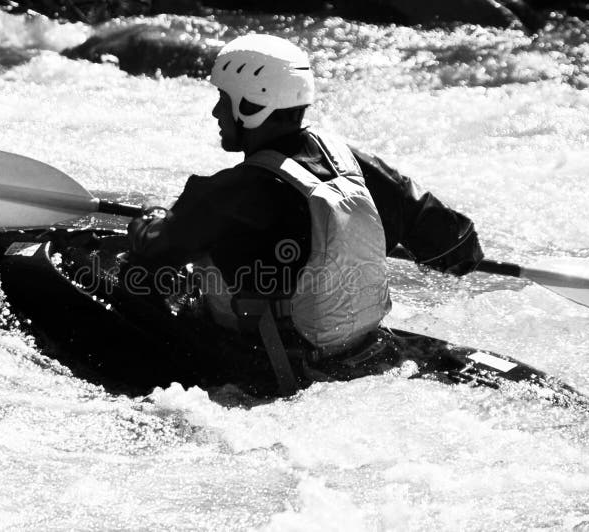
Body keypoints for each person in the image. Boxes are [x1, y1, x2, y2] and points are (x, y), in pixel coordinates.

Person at [127, 34, 482, 392]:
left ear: (251, 106)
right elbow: (458, 250)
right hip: (363, 349)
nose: (217, 112)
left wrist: (151, 214)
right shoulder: (352, 164)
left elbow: (155, 248)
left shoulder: (229, 194)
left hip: (276, 367)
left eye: (224, 99)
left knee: (141, 275)